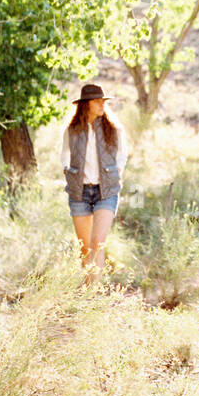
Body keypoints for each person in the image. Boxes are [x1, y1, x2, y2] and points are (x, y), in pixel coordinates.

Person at [60, 83, 128, 283]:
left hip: (105, 192)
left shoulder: (113, 129)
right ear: (85, 105)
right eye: (97, 101)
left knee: (97, 242)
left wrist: (116, 173)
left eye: (103, 101)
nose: (102, 105)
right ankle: (87, 291)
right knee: (85, 247)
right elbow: (64, 153)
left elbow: (122, 155)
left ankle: (93, 295)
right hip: (79, 192)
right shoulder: (72, 130)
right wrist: (67, 170)